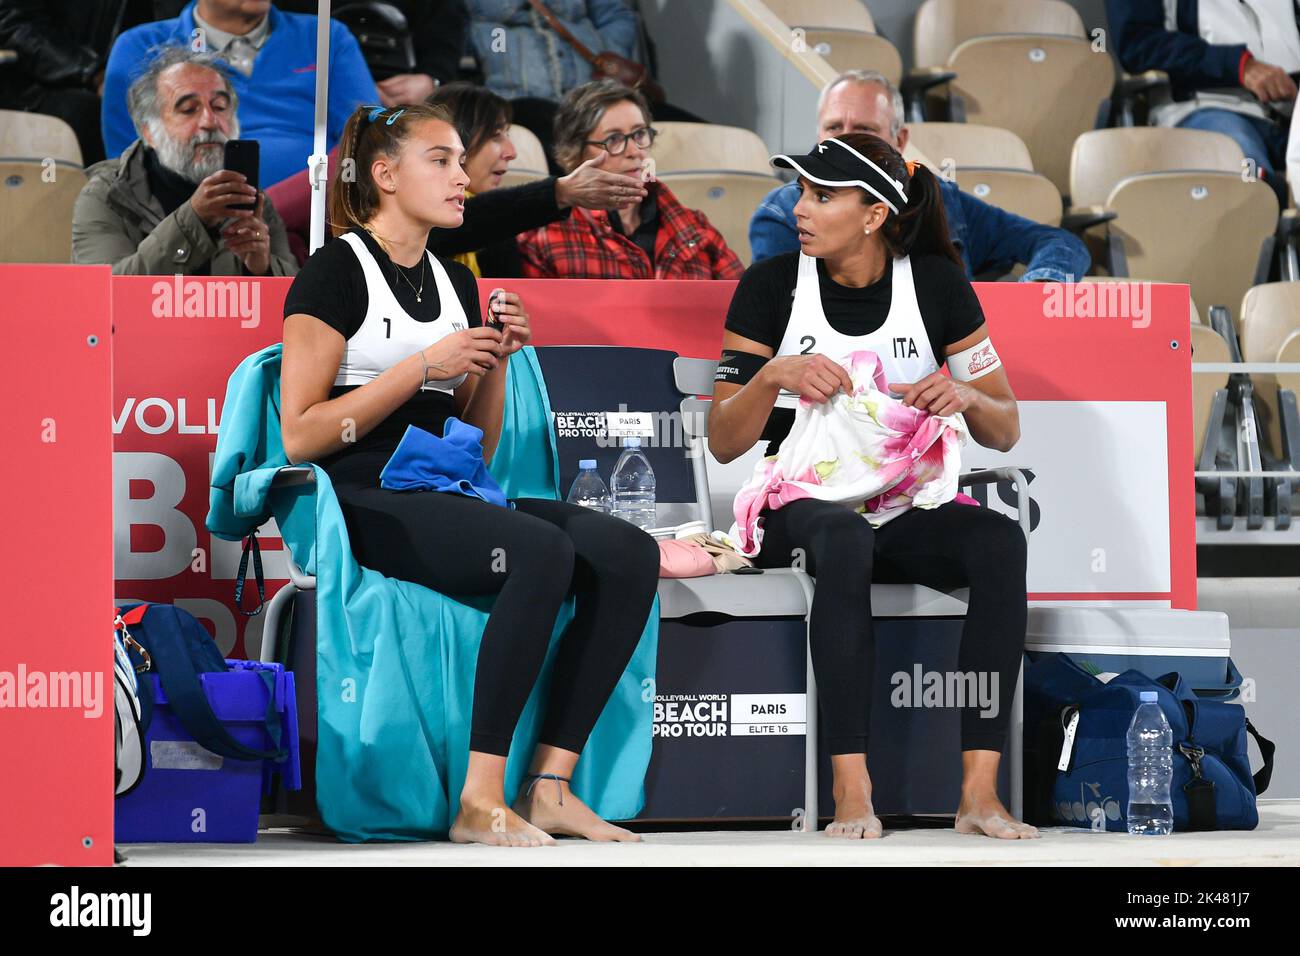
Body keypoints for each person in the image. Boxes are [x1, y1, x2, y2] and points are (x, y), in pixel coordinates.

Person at [279, 101, 660, 846]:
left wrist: (496, 362)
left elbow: (473, 448)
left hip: (444, 488)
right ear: (385, 175)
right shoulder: (335, 272)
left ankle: (549, 784)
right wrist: (425, 365)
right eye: (443, 161)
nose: (463, 178)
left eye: (461, 161)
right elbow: (301, 434)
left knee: (626, 552)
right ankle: (479, 799)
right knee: (539, 550)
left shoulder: (455, 282)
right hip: (367, 495)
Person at [709, 131, 1038, 840]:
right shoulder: (768, 286)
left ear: (874, 215)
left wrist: (964, 397)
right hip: (794, 509)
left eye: (821, 195)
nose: (799, 208)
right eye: (800, 191)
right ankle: (850, 788)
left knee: (998, 541)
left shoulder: (938, 284)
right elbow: (724, 440)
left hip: (899, 506)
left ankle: (979, 793)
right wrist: (773, 376)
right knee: (846, 535)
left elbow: (1005, 428)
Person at [749, 70, 1090, 282]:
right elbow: (784, 317)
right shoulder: (782, 214)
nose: (845, 140)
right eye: (834, 127)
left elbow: (1059, 242)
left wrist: (1043, 286)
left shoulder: (942, 199)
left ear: (900, 141)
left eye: (864, 130)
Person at [101, 1, 379, 186]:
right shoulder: (140, 46)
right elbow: (126, 166)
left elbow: (366, 144)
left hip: (317, 218)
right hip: (189, 221)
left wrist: (281, 206)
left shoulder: (326, 35)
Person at [73, 46, 296, 275]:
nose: (210, 122)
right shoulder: (108, 196)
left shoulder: (251, 199)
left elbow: (295, 299)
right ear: (148, 131)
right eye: (189, 109)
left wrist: (263, 269)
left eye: (219, 107)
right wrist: (194, 219)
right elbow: (107, 294)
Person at [517, 79, 743, 280]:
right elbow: (536, 325)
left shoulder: (696, 227)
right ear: (576, 152)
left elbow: (743, 314)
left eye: (639, 134)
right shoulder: (542, 236)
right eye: (614, 139)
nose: (634, 151)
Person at [425, 80, 649, 276]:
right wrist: (560, 192)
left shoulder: (500, 228)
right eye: (495, 136)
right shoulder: (411, 218)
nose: (511, 152)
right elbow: (459, 224)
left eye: (640, 134)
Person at [1107, 0, 1297, 208]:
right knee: (1248, 186)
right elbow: (1137, 43)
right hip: (1209, 107)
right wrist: (1238, 66)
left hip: (1291, 113)